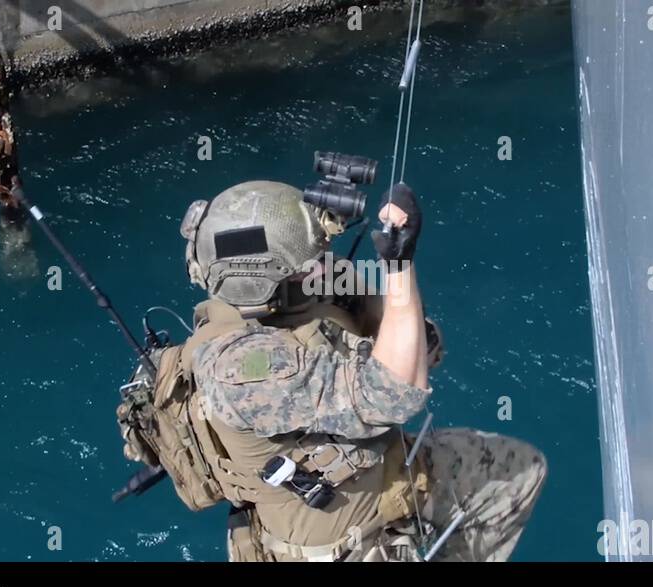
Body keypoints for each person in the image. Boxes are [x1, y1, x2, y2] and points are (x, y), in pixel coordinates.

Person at [116, 179, 547, 561]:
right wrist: (399, 268)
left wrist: (408, 330)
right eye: (310, 260)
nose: (327, 265)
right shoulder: (243, 370)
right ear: (266, 279)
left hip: (379, 470)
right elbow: (399, 394)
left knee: (520, 471)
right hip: (332, 544)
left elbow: (417, 340)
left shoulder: (306, 288)